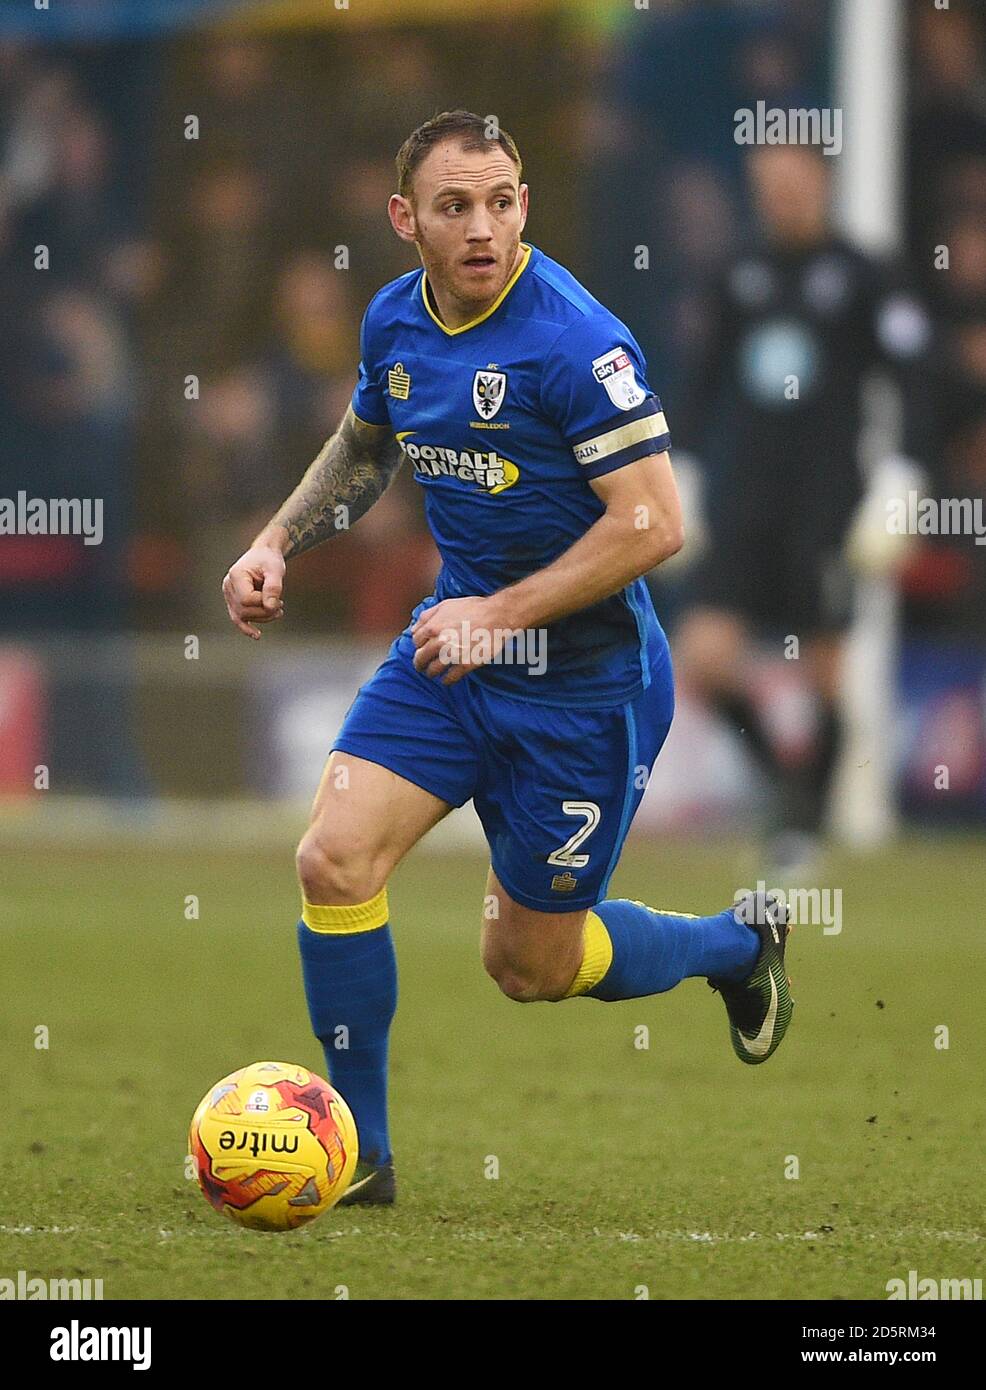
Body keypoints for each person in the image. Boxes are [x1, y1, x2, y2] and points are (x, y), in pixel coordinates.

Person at [221, 111, 792, 1207]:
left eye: (501, 201)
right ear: (405, 221)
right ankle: (361, 1152)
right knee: (330, 860)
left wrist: (502, 611)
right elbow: (364, 442)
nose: (482, 227)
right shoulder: (396, 319)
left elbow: (654, 524)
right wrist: (272, 540)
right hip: (452, 661)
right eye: (453, 207)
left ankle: (733, 945)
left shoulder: (574, 341)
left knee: (526, 965)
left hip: (583, 687)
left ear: (523, 204)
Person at [673, 143, 933, 874]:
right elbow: (700, 381)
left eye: (792, 179)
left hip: (827, 502)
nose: (779, 194)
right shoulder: (735, 273)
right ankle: (782, 786)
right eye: (766, 182)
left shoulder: (867, 274)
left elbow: (914, 381)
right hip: (745, 498)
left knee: (824, 669)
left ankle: (803, 828)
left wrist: (902, 478)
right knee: (704, 659)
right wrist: (682, 469)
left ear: (823, 181)